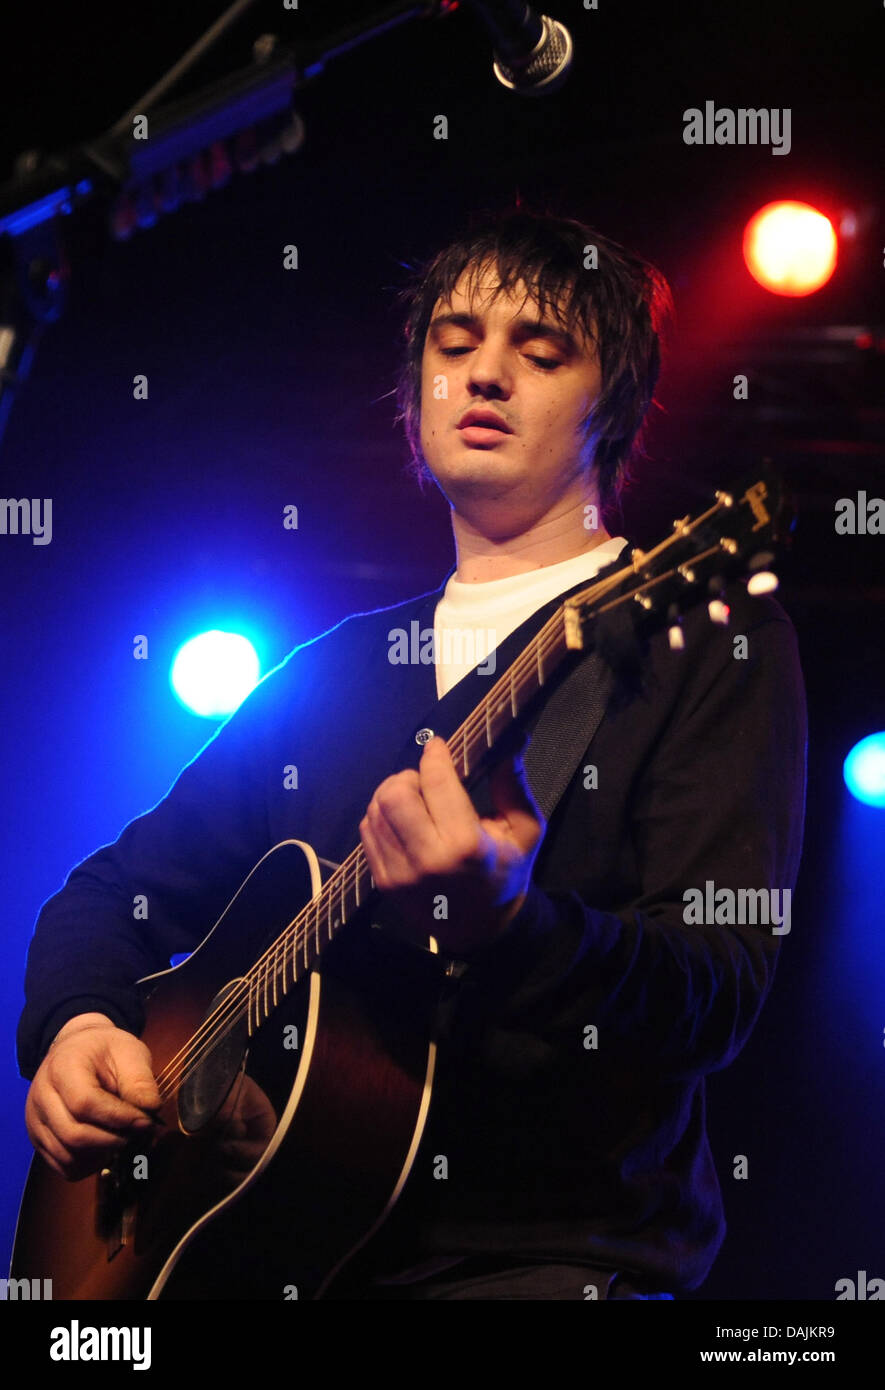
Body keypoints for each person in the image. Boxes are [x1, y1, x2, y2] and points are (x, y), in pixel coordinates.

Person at [16, 207, 807, 1300]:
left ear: (611, 405)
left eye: (540, 351)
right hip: (284, 1256)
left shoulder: (692, 638)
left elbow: (717, 992)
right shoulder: (328, 671)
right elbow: (110, 891)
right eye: (453, 344)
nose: (485, 375)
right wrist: (75, 1024)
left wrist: (513, 927)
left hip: (547, 1257)